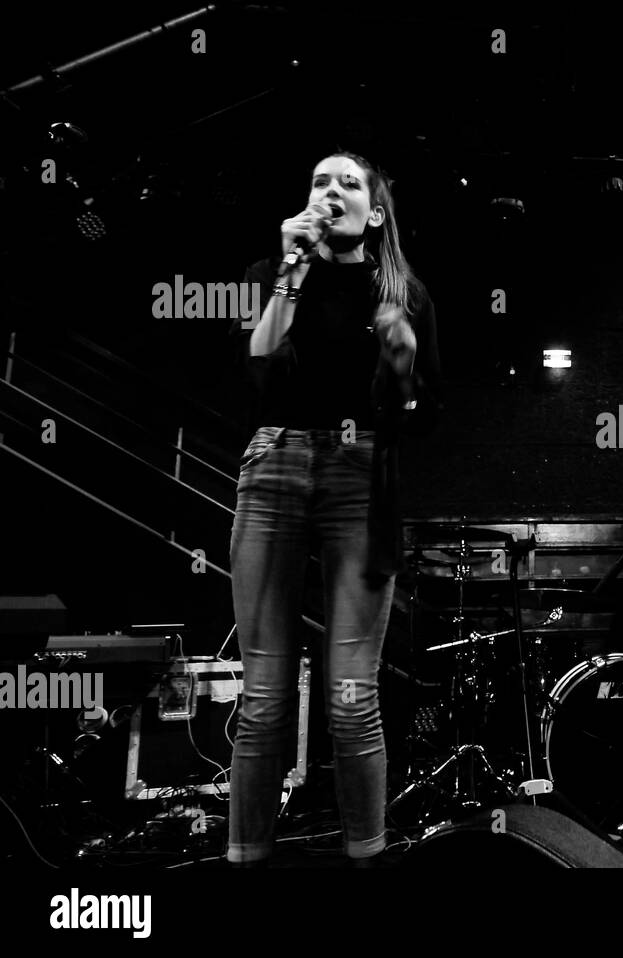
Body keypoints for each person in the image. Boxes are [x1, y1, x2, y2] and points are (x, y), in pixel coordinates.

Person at [226, 151, 441, 865]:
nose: (332, 192)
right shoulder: (273, 272)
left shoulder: (401, 292)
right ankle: (246, 857)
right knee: (263, 702)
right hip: (275, 464)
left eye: (349, 183)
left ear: (374, 214)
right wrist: (290, 270)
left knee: (351, 699)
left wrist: (403, 364)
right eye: (320, 181)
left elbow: (420, 415)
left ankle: (367, 854)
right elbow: (257, 367)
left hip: (360, 478)